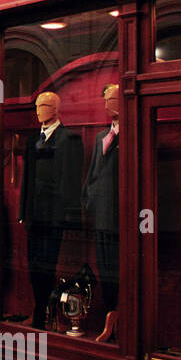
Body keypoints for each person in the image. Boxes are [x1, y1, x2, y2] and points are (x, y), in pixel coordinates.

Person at [19, 91, 84, 328]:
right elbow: (27, 179)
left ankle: (45, 313)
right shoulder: (31, 141)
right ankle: (39, 310)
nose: (39, 109)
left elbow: (71, 181)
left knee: (49, 263)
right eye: (37, 105)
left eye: (44, 105)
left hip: (55, 217)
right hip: (34, 216)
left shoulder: (69, 139)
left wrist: (69, 215)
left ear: (56, 109)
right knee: (34, 264)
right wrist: (23, 213)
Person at [83, 84, 121, 342]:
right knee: (104, 269)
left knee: (119, 269)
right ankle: (111, 313)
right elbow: (93, 174)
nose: (107, 104)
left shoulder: (133, 133)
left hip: (120, 218)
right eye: (106, 99)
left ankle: (118, 317)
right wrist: (88, 199)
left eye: (111, 99)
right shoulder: (101, 137)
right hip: (100, 216)